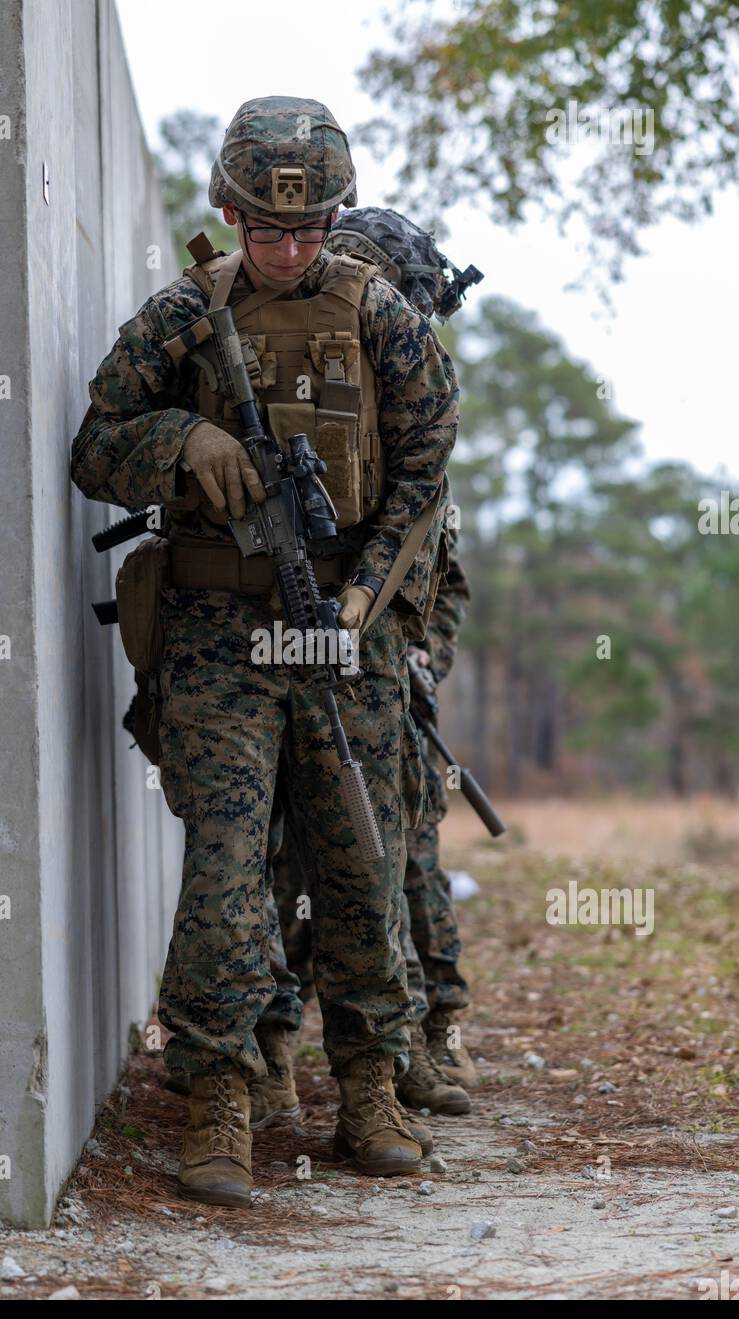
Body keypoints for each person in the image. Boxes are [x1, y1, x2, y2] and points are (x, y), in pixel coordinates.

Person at [70, 98, 459, 1209]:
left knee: (359, 856)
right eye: (265, 230)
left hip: (347, 632)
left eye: (308, 231)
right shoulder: (185, 314)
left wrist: (362, 604)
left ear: (335, 217)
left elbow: (427, 471)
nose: (287, 252)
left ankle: (371, 1085)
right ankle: (218, 1095)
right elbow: (93, 444)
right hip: (220, 636)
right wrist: (177, 439)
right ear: (231, 212)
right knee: (229, 867)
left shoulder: (382, 315)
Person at [249, 208, 480, 1133]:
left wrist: (425, 651)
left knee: (395, 861)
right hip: (271, 658)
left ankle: (420, 1039)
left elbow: (443, 575)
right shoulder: (276, 379)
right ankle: (267, 1055)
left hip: (382, 667)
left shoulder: (412, 427)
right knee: (271, 869)